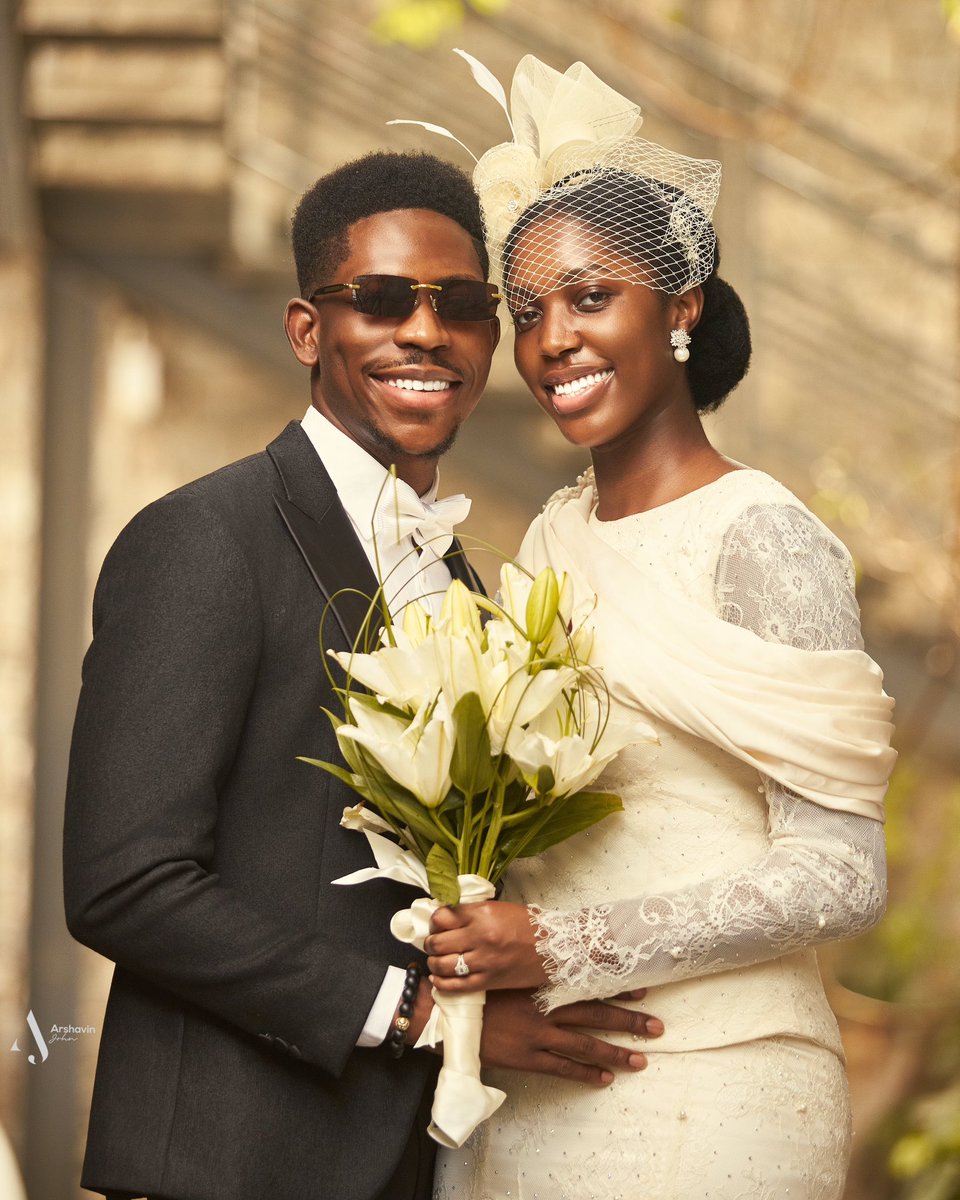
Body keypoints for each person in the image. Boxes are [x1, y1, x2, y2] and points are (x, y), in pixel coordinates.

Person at [62, 149, 664, 1200]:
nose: (426, 332)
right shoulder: (206, 538)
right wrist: (425, 1014)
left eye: (463, 305)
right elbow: (126, 883)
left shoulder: (465, 578)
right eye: (382, 299)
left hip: (408, 1160)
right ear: (308, 329)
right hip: (232, 1165)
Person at [421, 58, 897, 1199]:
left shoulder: (763, 535)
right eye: (528, 313)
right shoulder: (550, 540)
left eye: (591, 297)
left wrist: (564, 948)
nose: (552, 340)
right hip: (532, 1077)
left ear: (680, 306)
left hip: (721, 1083)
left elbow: (841, 874)